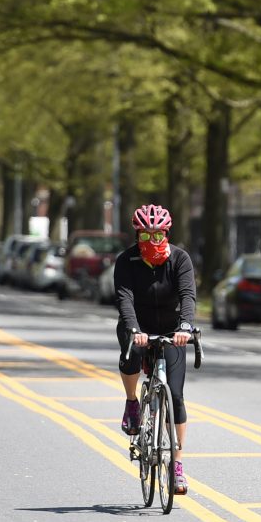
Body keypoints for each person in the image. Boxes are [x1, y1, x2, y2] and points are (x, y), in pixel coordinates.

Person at [114, 204, 196, 495]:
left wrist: (185, 326)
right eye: (146, 236)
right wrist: (135, 331)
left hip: (172, 331)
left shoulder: (180, 259)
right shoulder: (126, 261)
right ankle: (132, 403)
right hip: (138, 325)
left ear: (167, 234)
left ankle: (177, 466)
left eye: (158, 235)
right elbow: (124, 300)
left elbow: (188, 295)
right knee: (130, 354)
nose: (152, 242)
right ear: (137, 236)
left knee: (175, 395)